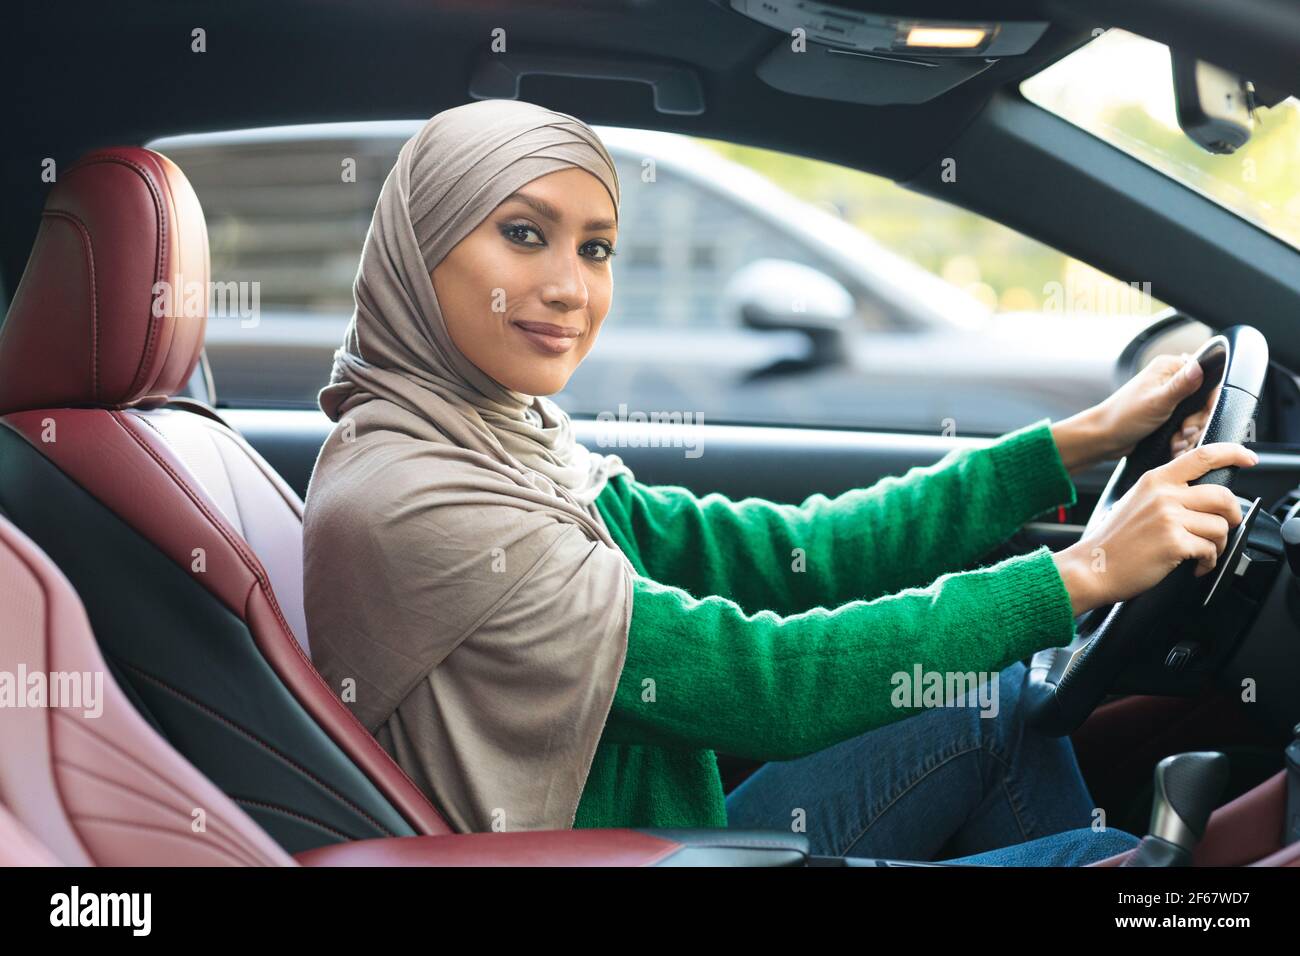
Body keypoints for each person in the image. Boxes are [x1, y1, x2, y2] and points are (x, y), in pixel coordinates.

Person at [301, 98, 1254, 866]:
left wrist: (1075, 443)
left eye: (595, 248)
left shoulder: (496, 437)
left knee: (984, 698)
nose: (570, 287)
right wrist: (1082, 574)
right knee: (1110, 866)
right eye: (523, 233)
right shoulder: (424, 502)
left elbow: (792, 554)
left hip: (662, 840)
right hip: (623, 860)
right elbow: (768, 685)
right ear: (419, 250)